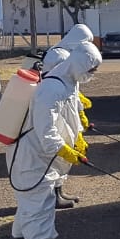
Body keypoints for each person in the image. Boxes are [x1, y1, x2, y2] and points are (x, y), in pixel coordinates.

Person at [7, 42, 103, 239]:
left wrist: (78, 137)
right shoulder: (50, 90)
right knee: (40, 203)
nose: (92, 75)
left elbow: (68, 117)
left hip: (41, 158)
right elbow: (46, 132)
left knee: (29, 204)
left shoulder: (67, 82)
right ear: (79, 64)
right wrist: (66, 151)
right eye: (91, 70)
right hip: (31, 158)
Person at [40, 24, 95, 209]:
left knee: (67, 151)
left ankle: (59, 191)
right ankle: (54, 195)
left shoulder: (65, 53)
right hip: (59, 111)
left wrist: (80, 107)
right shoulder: (59, 55)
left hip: (67, 107)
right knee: (58, 155)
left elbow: (72, 85)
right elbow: (59, 82)